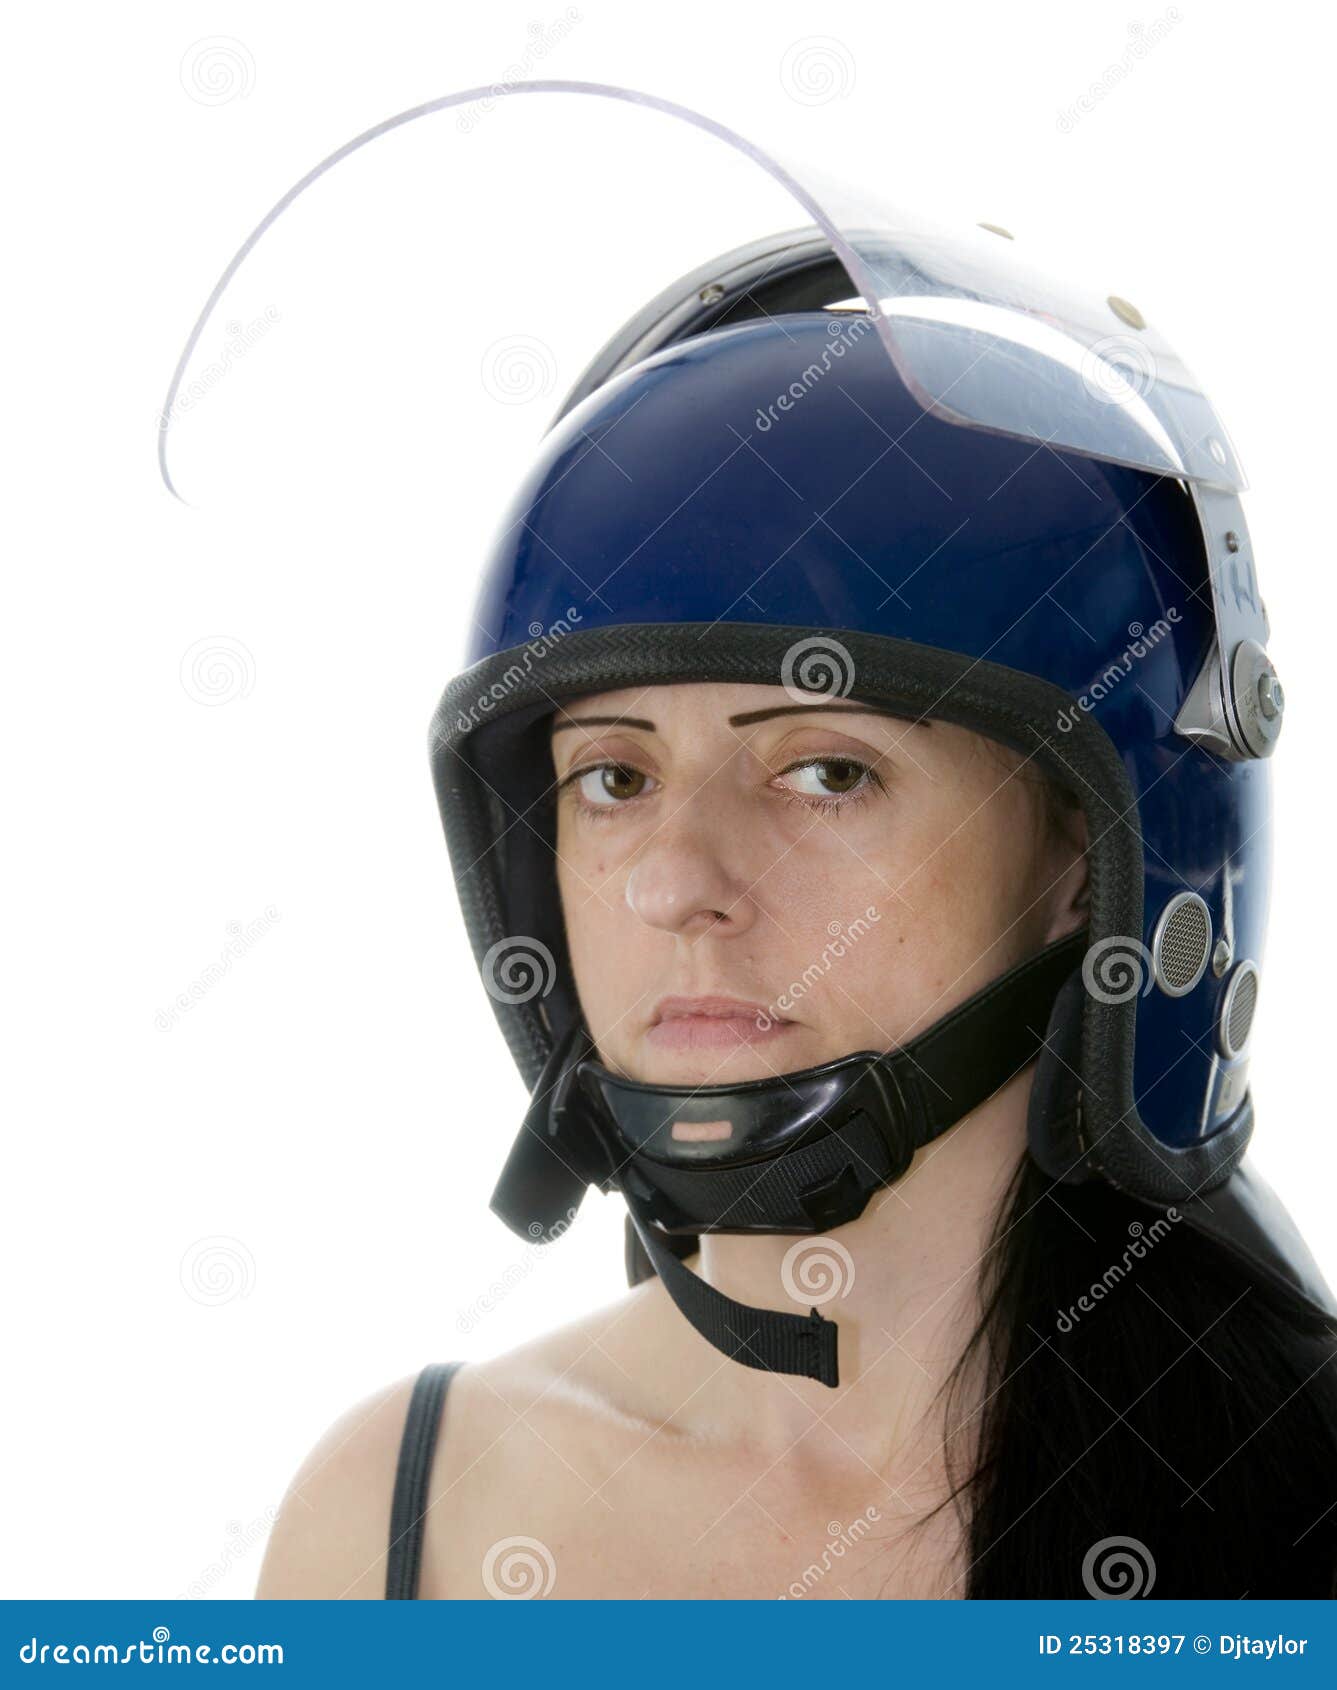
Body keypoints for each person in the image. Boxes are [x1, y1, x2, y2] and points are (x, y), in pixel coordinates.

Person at [255, 263, 1337, 1599]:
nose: (676, 884)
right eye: (615, 776)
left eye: (823, 771)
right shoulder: (390, 1523)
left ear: (1087, 857)